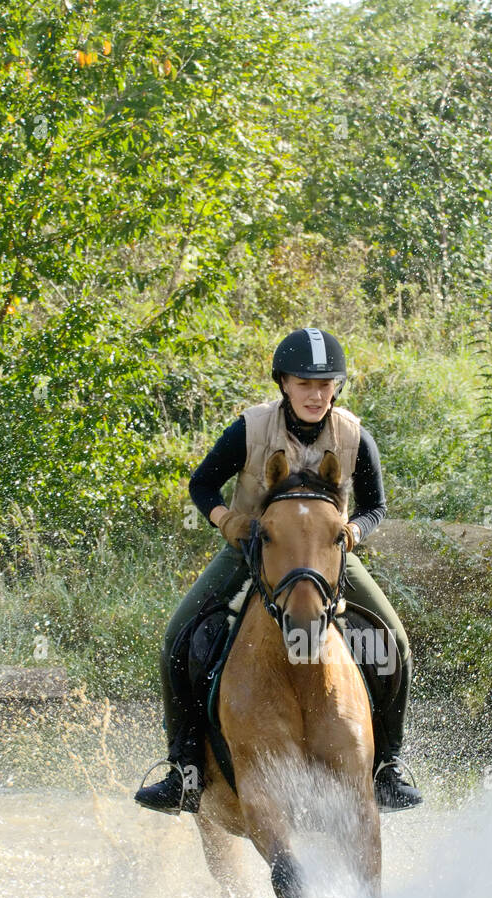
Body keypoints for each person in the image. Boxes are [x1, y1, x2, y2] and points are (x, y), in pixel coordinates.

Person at [134, 327, 422, 815]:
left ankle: (387, 766)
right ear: (283, 384)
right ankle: (183, 767)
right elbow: (202, 484)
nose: (315, 394)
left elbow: (376, 505)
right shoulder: (250, 428)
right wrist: (227, 521)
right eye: (303, 383)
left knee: (393, 639)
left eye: (325, 383)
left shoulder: (354, 435)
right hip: (253, 547)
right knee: (177, 636)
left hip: (325, 556)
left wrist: (352, 532)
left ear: (337, 386)